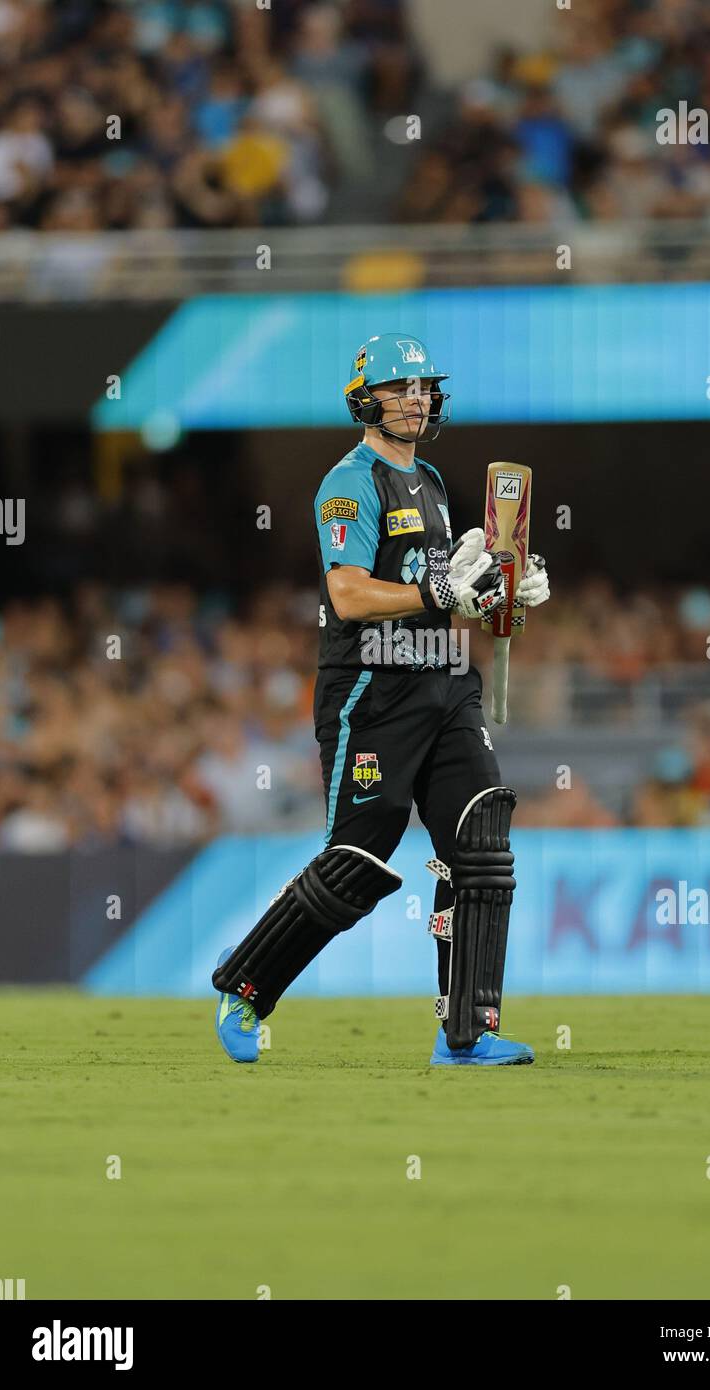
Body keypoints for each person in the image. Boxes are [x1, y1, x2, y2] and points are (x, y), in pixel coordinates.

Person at [212, 333, 549, 1065]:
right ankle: (245, 984)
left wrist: (502, 591)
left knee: (481, 850)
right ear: (367, 400)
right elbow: (350, 593)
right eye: (401, 388)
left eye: (424, 387)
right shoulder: (348, 482)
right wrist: (440, 589)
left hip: (446, 685)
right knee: (358, 859)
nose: (417, 399)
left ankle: (465, 1032)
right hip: (371, 693)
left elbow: (443, 597)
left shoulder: (429, 480)